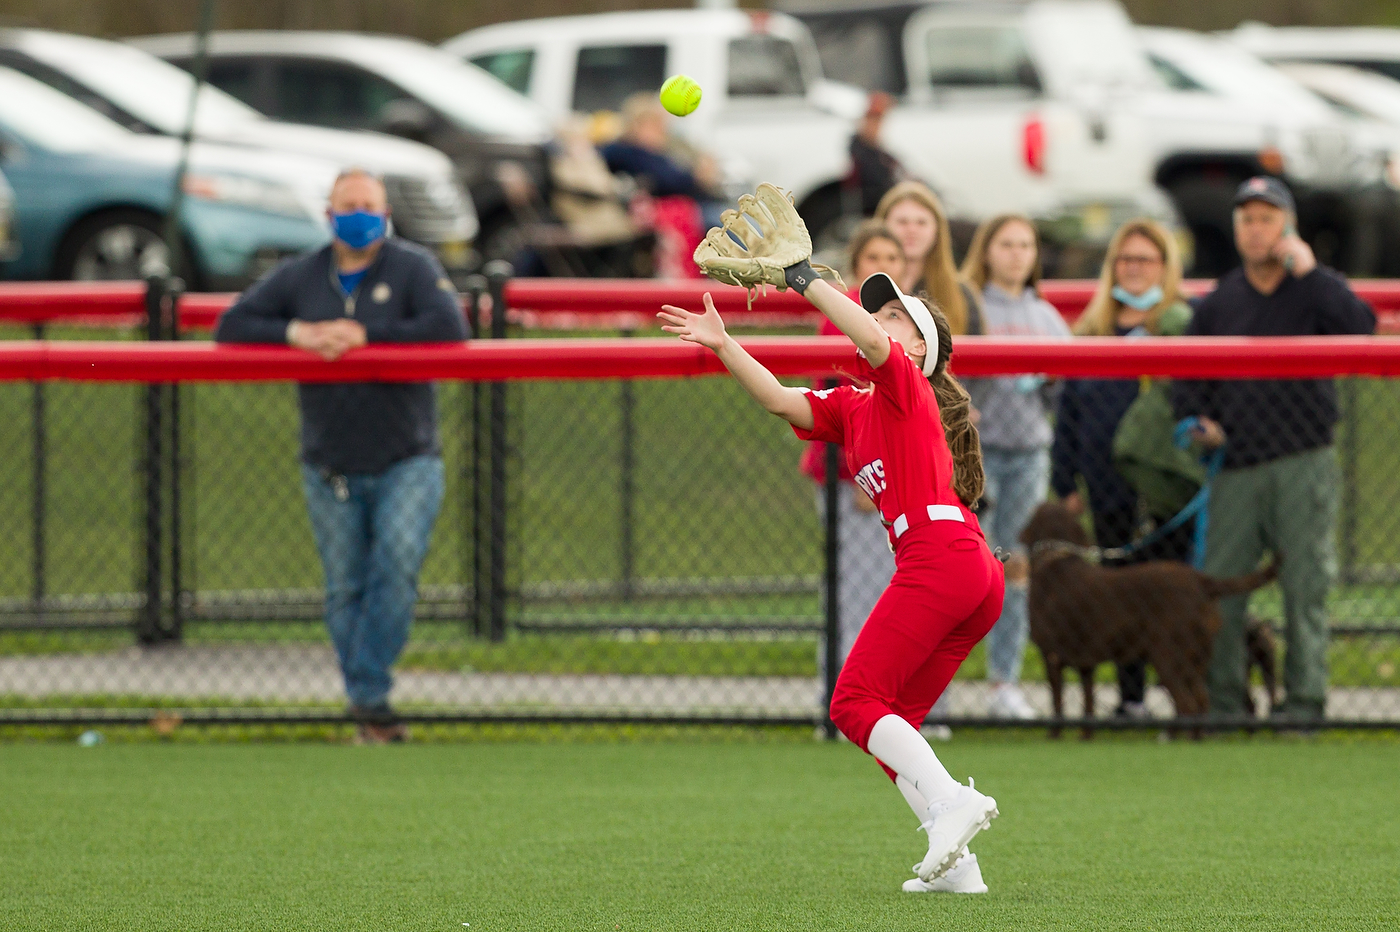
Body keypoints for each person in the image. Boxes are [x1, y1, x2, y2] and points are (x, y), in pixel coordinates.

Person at [668, 184, 1002, 893]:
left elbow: (873, 342)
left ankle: (954, 805)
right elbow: (779, 400)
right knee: (894, 720)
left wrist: (803, 279)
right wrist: (725, 344)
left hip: (942, 559)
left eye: (895, 316)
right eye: (878, 307)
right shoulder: (854, 407)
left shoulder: (905, 387)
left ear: (919, 350)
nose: (880, 319)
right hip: (961, 568)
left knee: (851, 702)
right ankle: (958, 870)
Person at [214, 168, 468, 743]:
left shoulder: (413, 268)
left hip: (408, 454)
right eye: (348, 204)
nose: (359, 213)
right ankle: (371, 707)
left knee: (397, 568)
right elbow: (232, 325)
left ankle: (367, 696)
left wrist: (365, 336)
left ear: (385, 213)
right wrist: (297, 334)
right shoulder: (302, 275)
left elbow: (449, 326)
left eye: (369, 204)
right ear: (329, 214)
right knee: (345, 586)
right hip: (329, 459)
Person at [1171, 176, 1375, 721]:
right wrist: (1199, 423)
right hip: (1236, 465)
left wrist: (1312, 271)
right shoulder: (1218, 303)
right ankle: (1225, 704)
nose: (1256, 229)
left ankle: (1304, 706)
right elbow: (1186, 382)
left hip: (1303, 462)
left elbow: (1362, 328)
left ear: (1287, 227)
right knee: (1223, 591)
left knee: (1305, 588)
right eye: (1247, 220)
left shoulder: (1314, 290)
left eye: (1267, 218)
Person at [1051, 219, 1195, 718]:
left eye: (1145, 261)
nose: (1134, 270)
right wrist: (1064, 482)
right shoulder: (1091, 333)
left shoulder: (1180, 325)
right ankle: (1131, 698)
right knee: (1119, 596)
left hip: (1165, 493)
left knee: (1171, 596)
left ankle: (1183, 697)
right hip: (1106, 487)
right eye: (1126, 260)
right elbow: (1068, 414)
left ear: (1164, 268)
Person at [960, 214, 1070, 719]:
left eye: (1026, 245)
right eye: (1006, 244)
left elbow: (1065, 391)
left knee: (1015, 561)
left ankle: (1004, 680)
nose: (1017, 254)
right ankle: (941, 679)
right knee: (966, 567)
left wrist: (1050, 381)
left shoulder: (1046, 315)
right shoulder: (968, 304)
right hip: (975, 454)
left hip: (1028, 452)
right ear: (987, 250)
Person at [873, 181, 983, 338]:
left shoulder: (962, 295)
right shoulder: (857, 292)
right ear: (882, 227)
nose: (912, 230)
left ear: (937, 230)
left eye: (921, 222)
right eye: (902, 222)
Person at [848, 92, 906, 215]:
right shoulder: (860, 151)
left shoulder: (880, 151)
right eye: (873, 119)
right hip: (874, 210)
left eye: (880, 120)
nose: (877, 125)